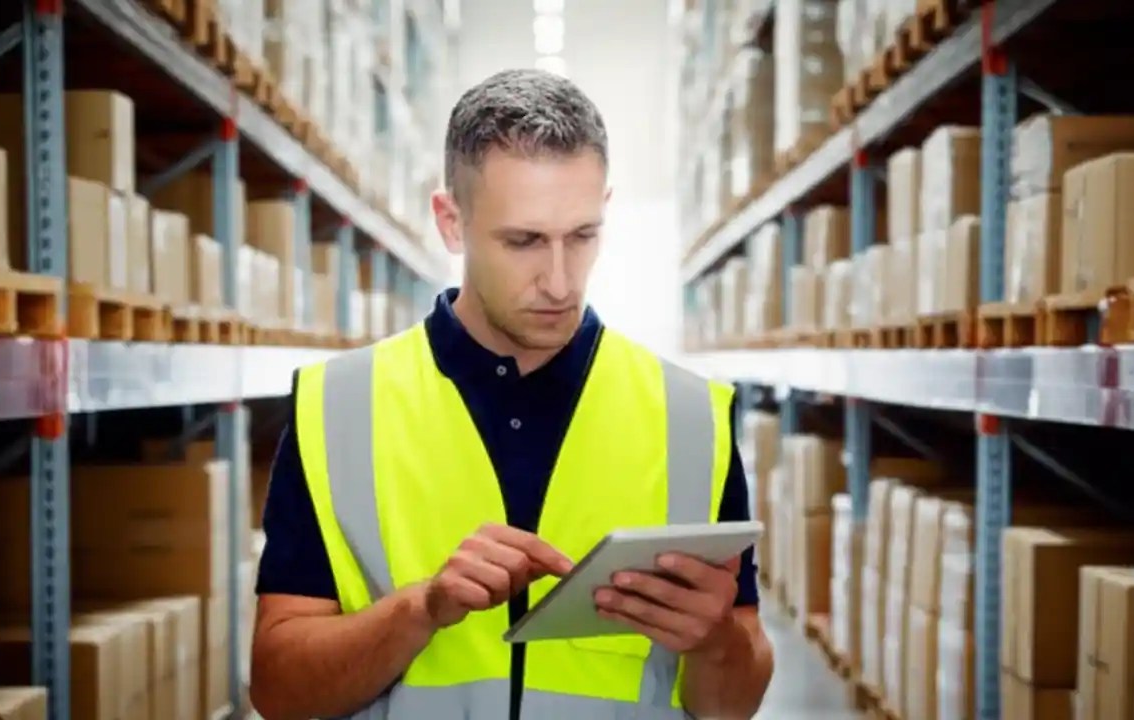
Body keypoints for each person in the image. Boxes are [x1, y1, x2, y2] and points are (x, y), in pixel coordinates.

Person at [250, 68, 773, 720]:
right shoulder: (338, 408)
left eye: (582, 236)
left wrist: (716, 642)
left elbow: (733, 704)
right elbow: (277, 691)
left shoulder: (692, 419)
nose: (559, 281)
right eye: (523, 241)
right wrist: (422, 609)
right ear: (450, 221)